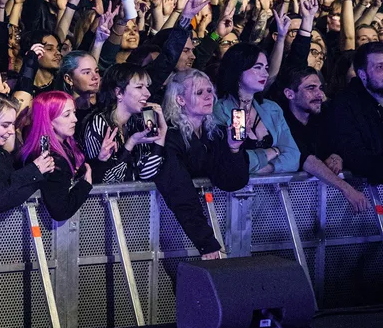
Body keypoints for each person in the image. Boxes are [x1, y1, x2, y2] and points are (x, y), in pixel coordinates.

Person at [156, 70, 249, 258]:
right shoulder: (169, 136)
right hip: (167, 221)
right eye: (199, 93)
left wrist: (233, 149)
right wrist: (205, 241)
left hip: (202, 224)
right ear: (180, 100)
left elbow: (232, 182)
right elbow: (179, 189)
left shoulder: (216, 133)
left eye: (209, 91)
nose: (209, 96)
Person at [276, 67, 370, 211]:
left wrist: (337, 155)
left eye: (320, 88)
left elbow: (341, 143)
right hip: (279, 206)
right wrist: (348, 190)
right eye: (311, 88)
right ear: (289, 94)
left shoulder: (325, 116)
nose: (320, 94)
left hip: (318, 205)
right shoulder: (280, 120)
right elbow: (305, 158)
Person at [213, 43, 300, 174]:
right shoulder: (219, 110)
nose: (265, 74)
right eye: (258, 67)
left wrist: (269, 168)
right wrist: (274, 151)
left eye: (266, 68)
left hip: (273, 190)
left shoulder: (272, 108)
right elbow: (231, 161)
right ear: (238, 70)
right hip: (235, 192)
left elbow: (294, 157)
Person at [79, 63, 167, 184]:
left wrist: (162, 134)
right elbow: (108, 180)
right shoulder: (98, 123)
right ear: (119, 93)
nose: (148, 93)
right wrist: (130, 143)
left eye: (146, 87)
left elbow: (147, 173)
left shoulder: (136, 122)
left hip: (132, 200)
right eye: (139, 87)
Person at [18, 91, 93, 221]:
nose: (75, 119)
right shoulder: (52, 160)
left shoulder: (64, 147)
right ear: (49, 121)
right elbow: (60, 211)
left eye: (74, 112)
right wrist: (85, 185)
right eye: (67, 115)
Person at [326, 41, 383, 184]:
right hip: (364, 195)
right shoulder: (344, 106)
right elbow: (356, 157)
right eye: (380, 67)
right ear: (362, 74)